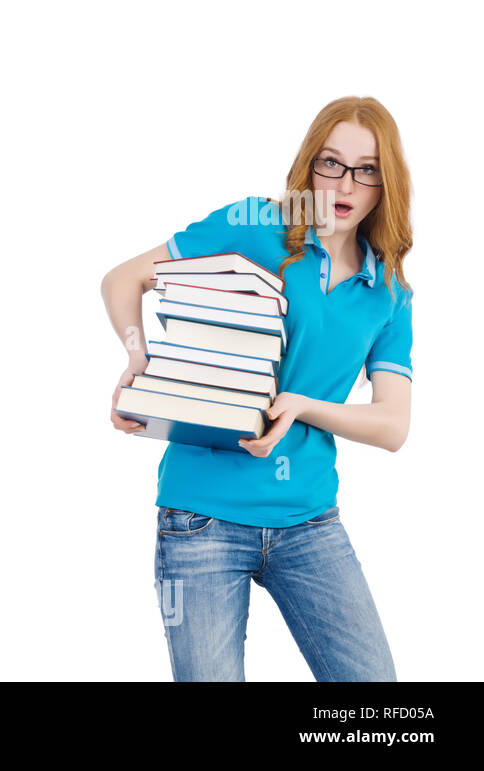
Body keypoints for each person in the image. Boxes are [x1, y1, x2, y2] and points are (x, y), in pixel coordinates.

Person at [100, 96, 413, 681]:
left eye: (367, 169)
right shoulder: (258, 224)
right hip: (201, 518)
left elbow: (393, 425)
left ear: (385, 183)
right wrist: (136, 359)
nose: (345, 182)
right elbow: (124, 279)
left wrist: (303, 407)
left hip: (310, 521)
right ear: (307, 166)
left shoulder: (388, 291)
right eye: (330, 163)